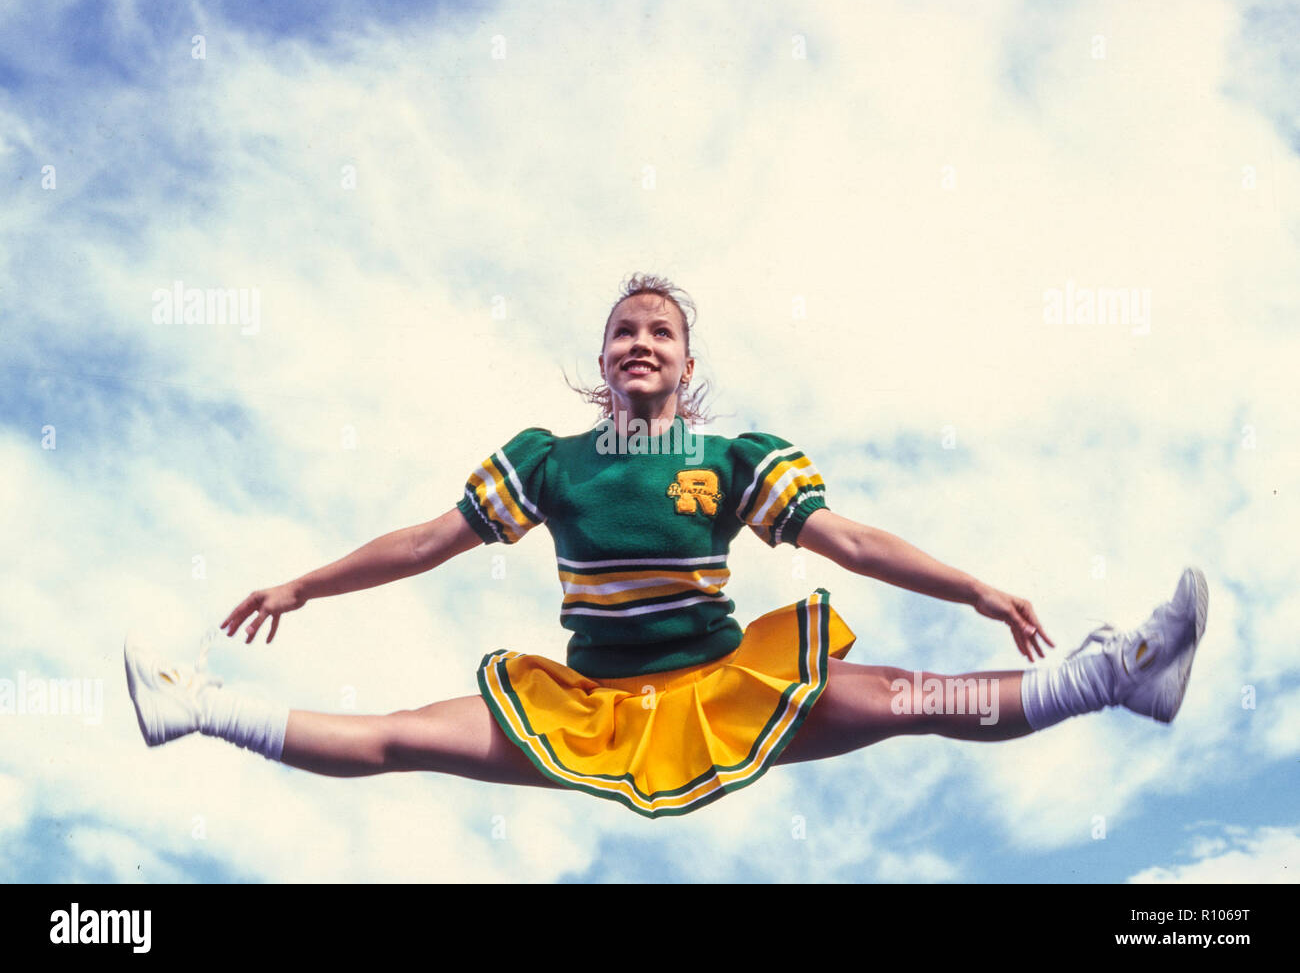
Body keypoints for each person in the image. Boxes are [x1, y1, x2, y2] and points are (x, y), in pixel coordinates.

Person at [125, 273, 1209, 819]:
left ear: (685, 363)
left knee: (911, 697)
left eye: (660, 331)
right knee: (403, 734)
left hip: (726, 689)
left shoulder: (733, 458)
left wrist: (975, 587)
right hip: (588, 707)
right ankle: (197, 707)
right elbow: (422, 541)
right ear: (602, 360)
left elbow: (849, 539)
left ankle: (1119, 675)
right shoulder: (549, 461)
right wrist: (302, 586)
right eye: (623, 331)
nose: (639, 341)